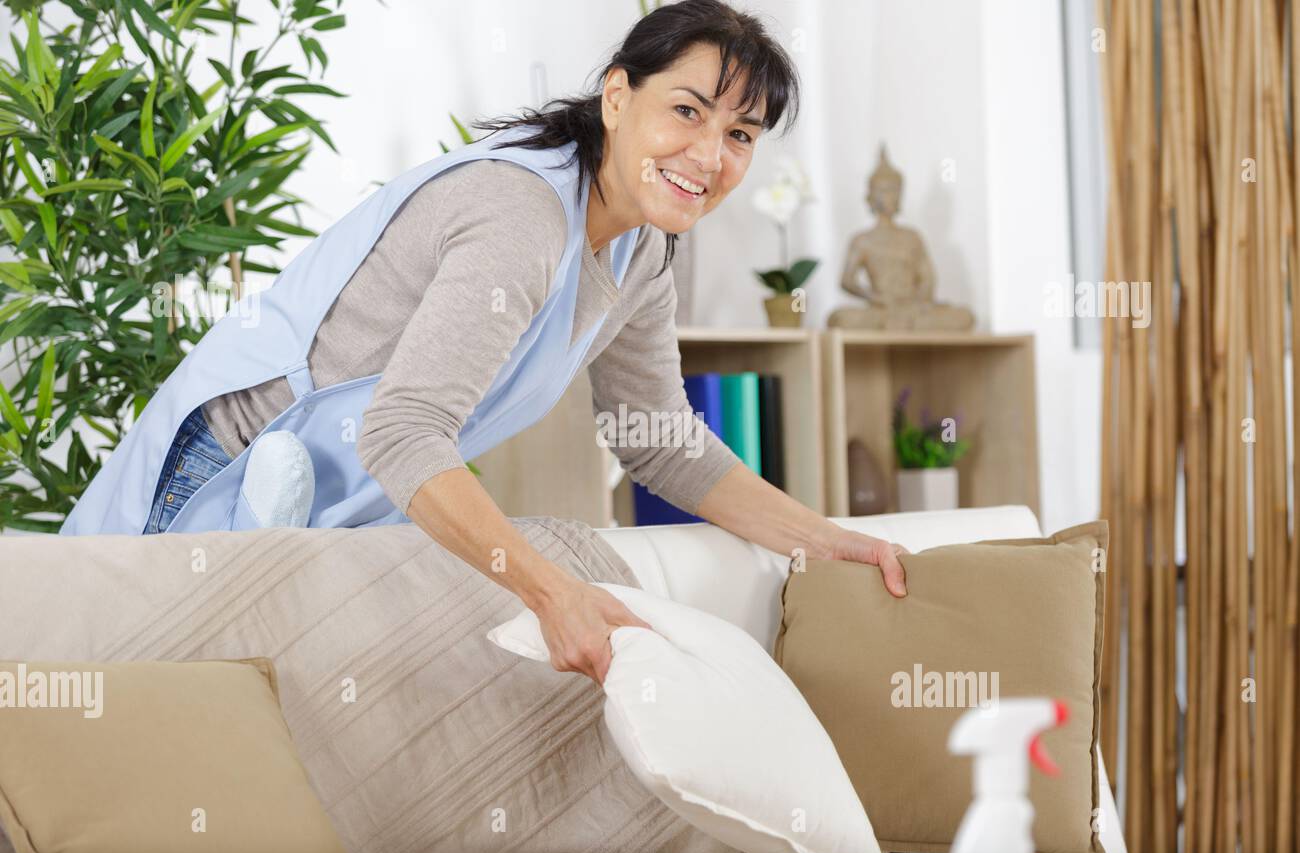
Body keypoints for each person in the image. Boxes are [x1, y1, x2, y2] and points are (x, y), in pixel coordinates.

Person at [62, 0, 908, 685]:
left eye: (740, 135)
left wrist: (822, 539)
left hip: (333, 499)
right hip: (233, 470)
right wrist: (554, 594)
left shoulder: (643, 249)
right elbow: (405, 429)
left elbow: (659, 440)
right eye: (686, 110)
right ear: (618, 96)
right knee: (112, 723)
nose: (709, 154)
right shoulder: (522, 215)